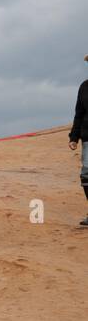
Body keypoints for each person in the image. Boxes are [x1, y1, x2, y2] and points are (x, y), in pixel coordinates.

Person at [71, 55, 88, 227]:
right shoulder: (84, 87)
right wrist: (74, 137)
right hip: (87, 138)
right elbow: (79, 113)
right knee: (86, 175)